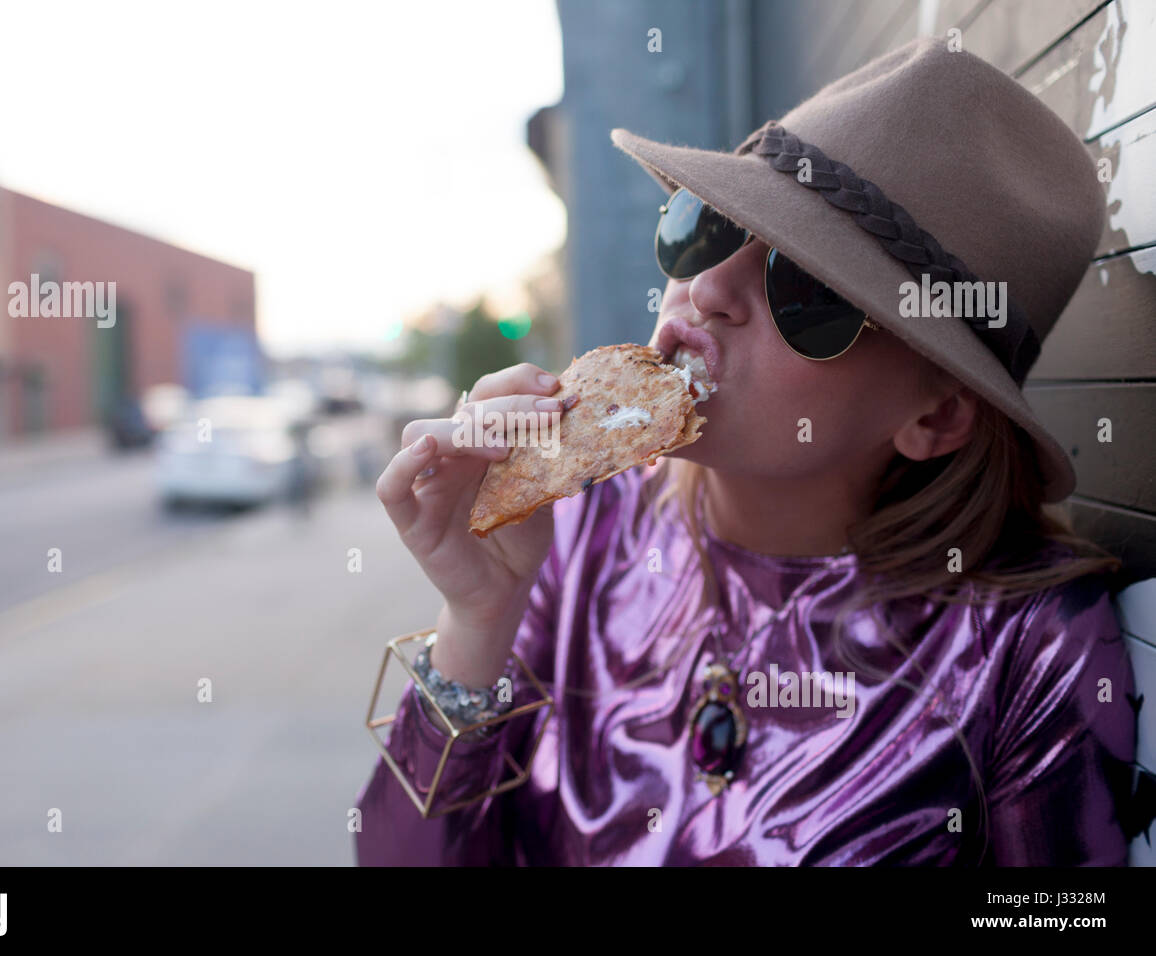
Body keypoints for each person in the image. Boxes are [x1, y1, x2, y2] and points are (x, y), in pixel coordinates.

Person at [355, 36, 1139, 865]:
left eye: (808, 292)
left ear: (937, 418)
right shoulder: (577, 527)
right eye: (704, 226)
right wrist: (478, 619)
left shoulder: (1026, 644)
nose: (713, 289)